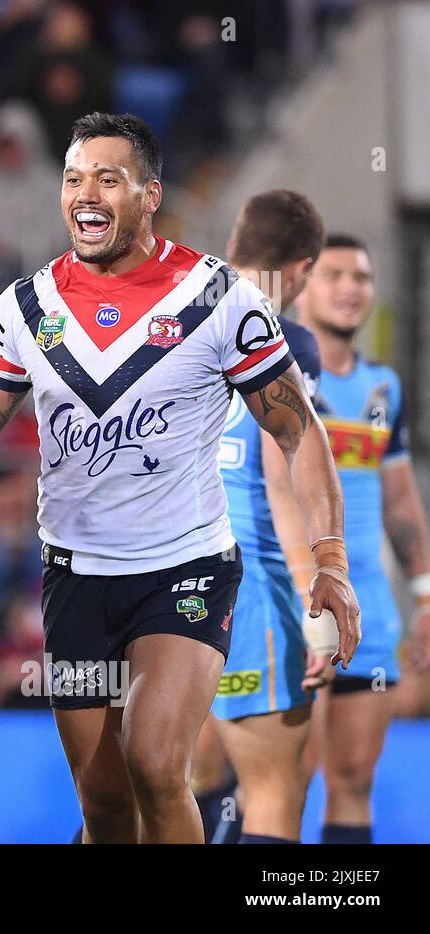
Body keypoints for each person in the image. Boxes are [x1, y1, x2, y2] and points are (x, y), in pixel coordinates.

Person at [0, 112, 359, 843]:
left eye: (108, 179)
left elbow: (298, 431)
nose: (84, 194)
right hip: (75, 579)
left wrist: (332, 558)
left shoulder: (220, 300)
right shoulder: (27, 307)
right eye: (72, 178)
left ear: (150, 195)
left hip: (184, 571)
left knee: (156, 763)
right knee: (105, 806)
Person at [297, 233, 430, 844]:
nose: (352, 288)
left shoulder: (384, 389)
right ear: (303, 285)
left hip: (370, 610)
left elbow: (401, 504)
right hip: (294, 605)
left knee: (352, 780)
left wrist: (425, 596)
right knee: (282, 781)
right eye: (336, 275)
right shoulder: (275, 378)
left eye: (363, 277)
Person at [208, 189, 330, 844]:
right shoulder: (286, 342)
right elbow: (283, 480)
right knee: (275, 788)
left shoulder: (175, 321)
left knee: (171, 789)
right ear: (303, 268)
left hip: (156, 587)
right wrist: (316, 612)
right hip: (251, 590)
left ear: (234, 245)